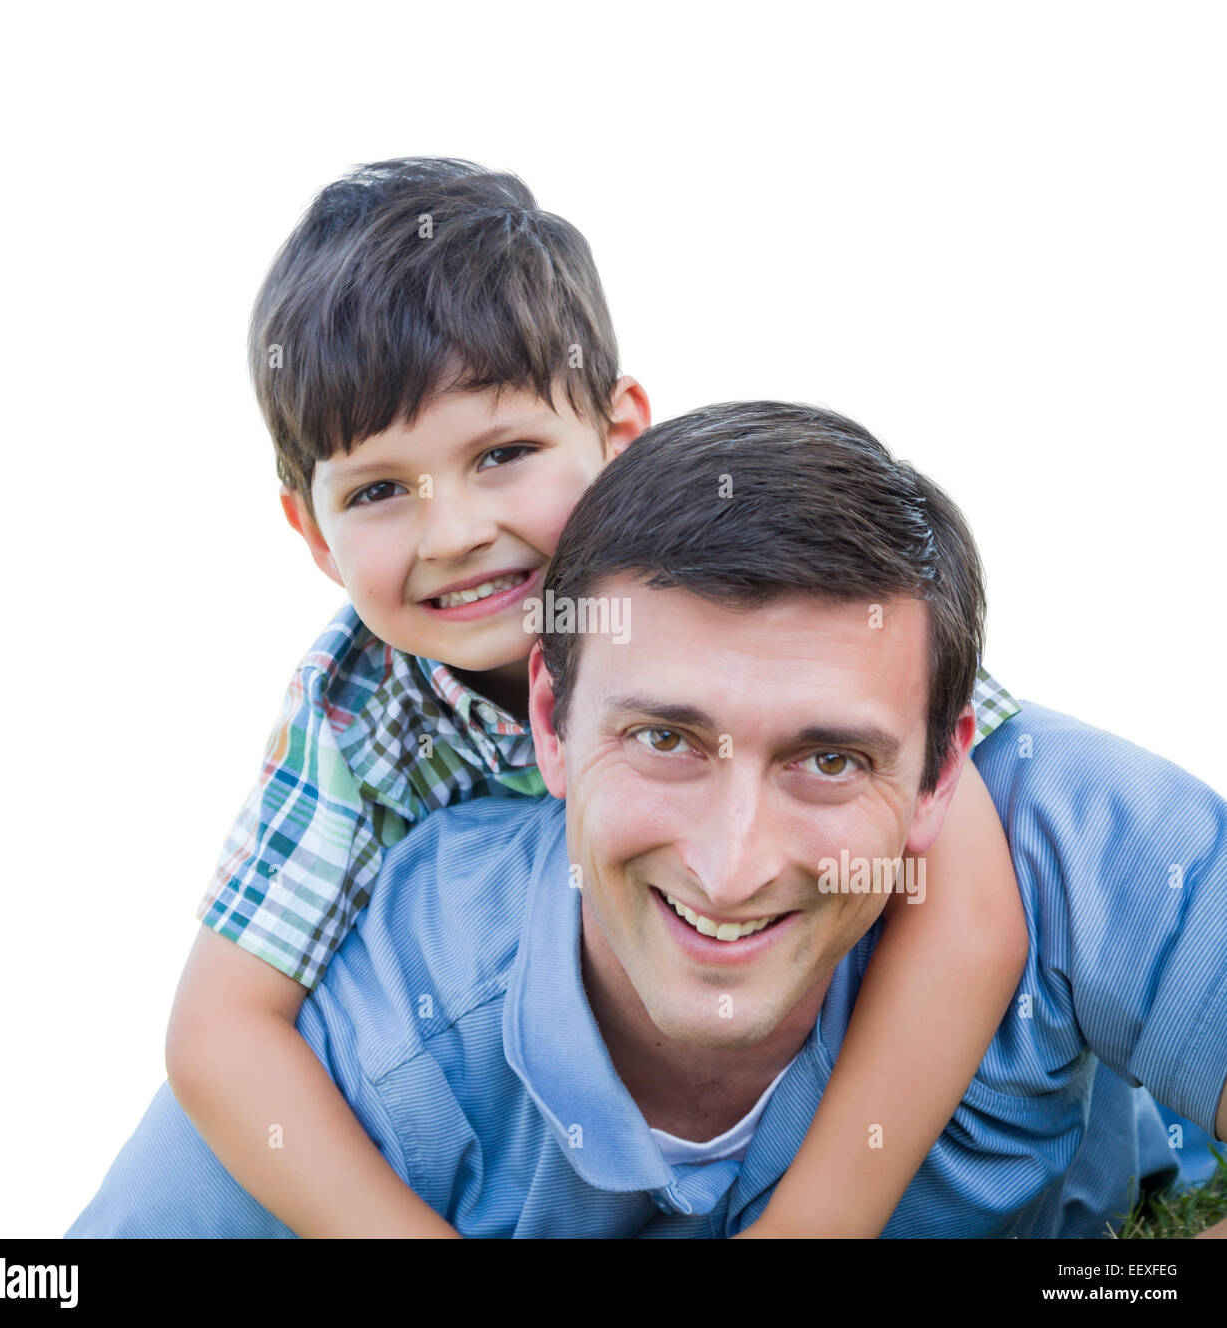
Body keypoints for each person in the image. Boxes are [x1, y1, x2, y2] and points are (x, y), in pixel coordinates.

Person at [69, 401, 1227, 1238]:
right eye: (667, 739)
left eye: (828, 757)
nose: (731, 866)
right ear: (549, 724)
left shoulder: (1066, 834)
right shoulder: (394, 1019)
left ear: (939, 772)